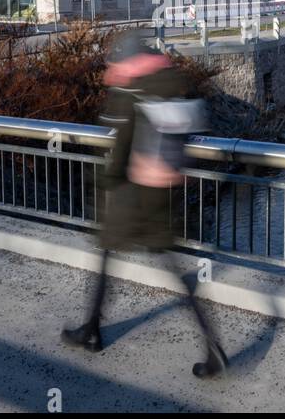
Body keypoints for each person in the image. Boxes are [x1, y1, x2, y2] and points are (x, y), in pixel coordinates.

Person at [61, 30, 229, 378]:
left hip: (131, 190)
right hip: (161, 188)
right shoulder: (167, 79)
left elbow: (121, 143)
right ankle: (212, 348)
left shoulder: (131, 86)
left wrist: (103, 183)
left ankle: (91, 330)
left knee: (111, 253)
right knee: (162, 266)